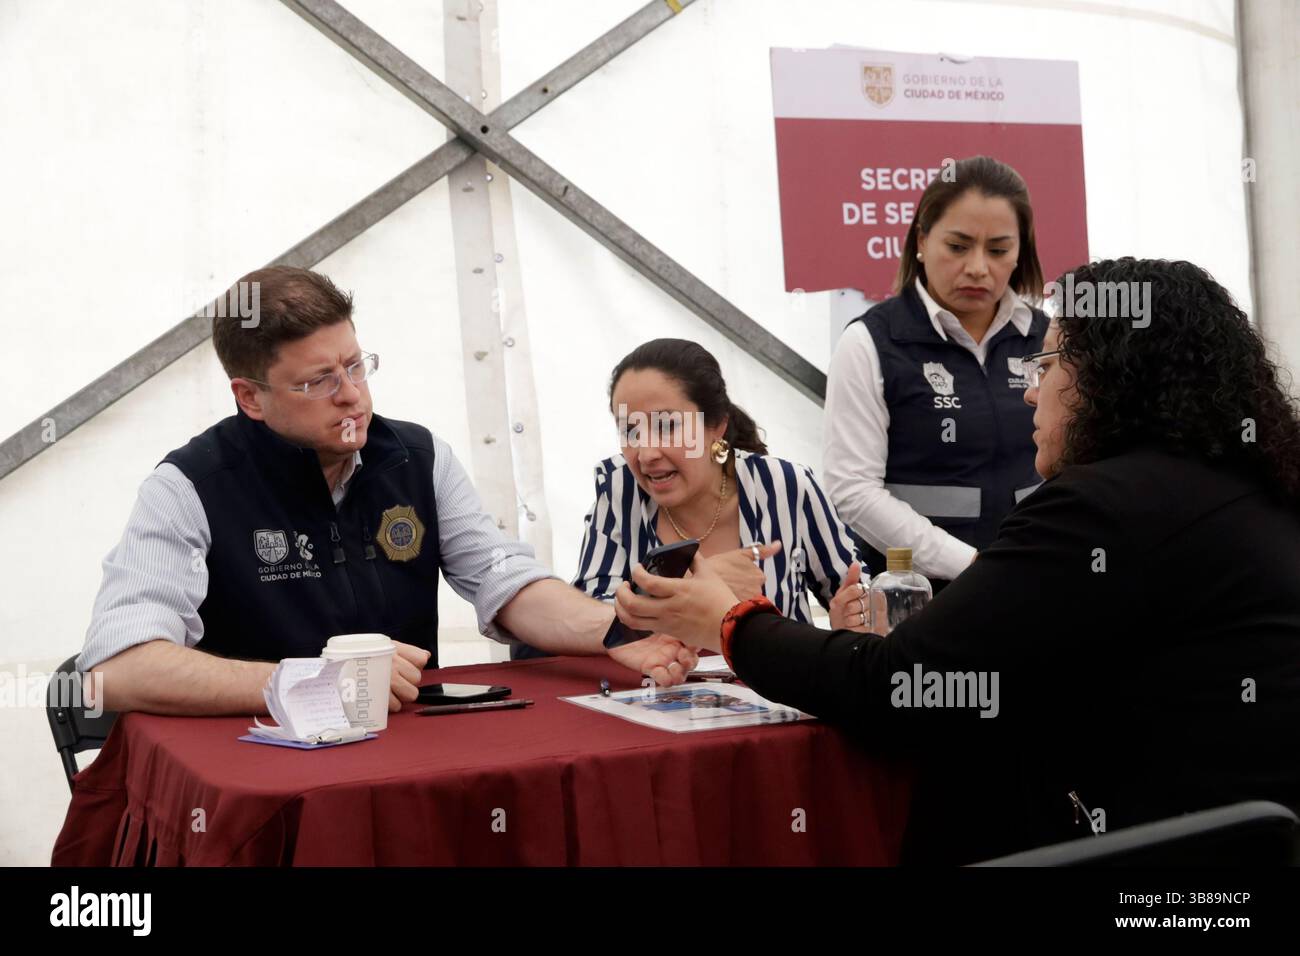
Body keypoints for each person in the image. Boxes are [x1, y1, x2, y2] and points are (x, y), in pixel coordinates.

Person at [616, 258, 1300, 864]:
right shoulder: (1255, 489)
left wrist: (732, 622)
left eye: (1049, 365)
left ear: (1112, 379)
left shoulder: (1102, 506)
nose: (1030, 391)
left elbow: (891, 692)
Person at [80, 267, 697, 716]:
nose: (351, 394)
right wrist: (307, 682)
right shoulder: (189, 486)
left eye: (355, 365)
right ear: (250, 398)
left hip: (401, 757)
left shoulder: (418, 457)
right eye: (320, 380)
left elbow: (502, 579)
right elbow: (117, 669)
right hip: (258, 770)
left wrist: (616, 631)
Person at [515, 339, 868, 660]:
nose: (646, 452)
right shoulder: (620, 490)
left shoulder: (785, 485)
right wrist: (702, 587)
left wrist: (853, 618)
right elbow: (593, 617)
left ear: (716, 427)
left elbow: (856, 592)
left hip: (779, 704)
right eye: (629, 430)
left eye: (668, 427)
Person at [823, 156, 1049, 587]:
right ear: (922, 240)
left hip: (1035, 583)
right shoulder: (870, 343)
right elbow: (852, 489)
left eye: (999, 250)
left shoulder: (1048, 342)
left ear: (1021, 252)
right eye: (958, 246)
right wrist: (971, 566)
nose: (979, 267)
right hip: (918, 598)